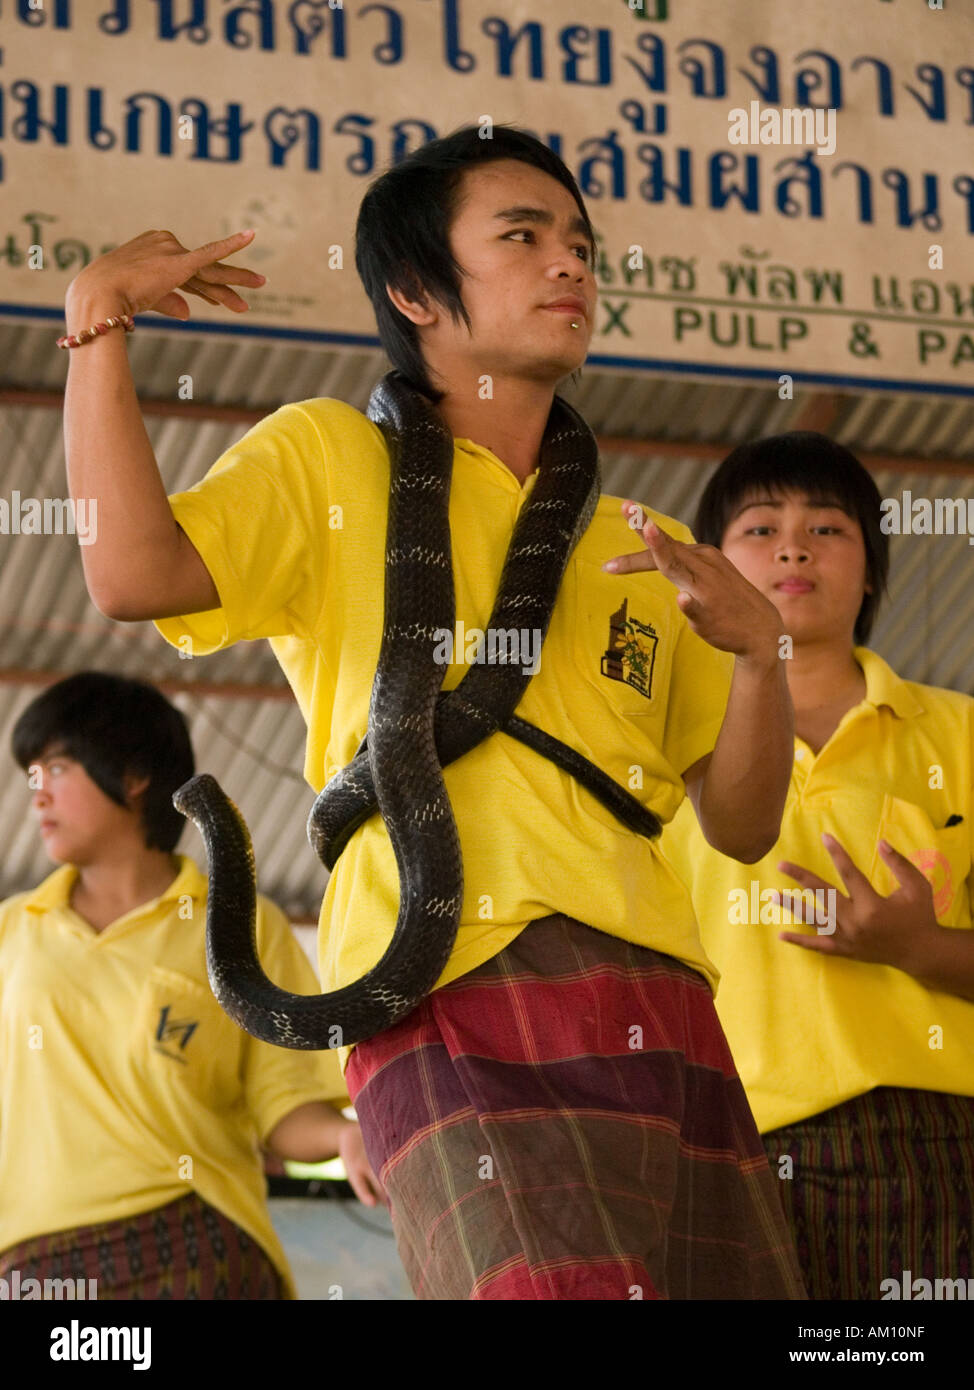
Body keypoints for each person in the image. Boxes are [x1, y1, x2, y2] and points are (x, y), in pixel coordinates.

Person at [60, 125, 806, 1300]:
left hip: (660, 986)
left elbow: (745, 825)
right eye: (521, 236)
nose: (569, 264)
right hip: (445, 971)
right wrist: (97, 323)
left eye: (579, 242)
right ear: (414, 289)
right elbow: (131, 575)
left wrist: (760, 655)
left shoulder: (643, 551)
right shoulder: (328, 454)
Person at [658, 433, 974, 1300]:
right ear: (704, 573)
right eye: (759, 528)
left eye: (828, 529)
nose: (793, 546)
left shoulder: (962, 736)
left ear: (872, 572)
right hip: (715, 1145)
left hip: (934, 1149)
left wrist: (922, 947)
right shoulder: (650, 752)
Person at [0, 672, 384, 1301]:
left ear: (132, 774)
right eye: (30, 775)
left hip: (197, 1243)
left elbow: (282, 1103)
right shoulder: (11, 932)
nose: (36, 795)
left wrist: (343, 1138)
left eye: (57, 768)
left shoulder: (241, 922)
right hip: (33, 1265)